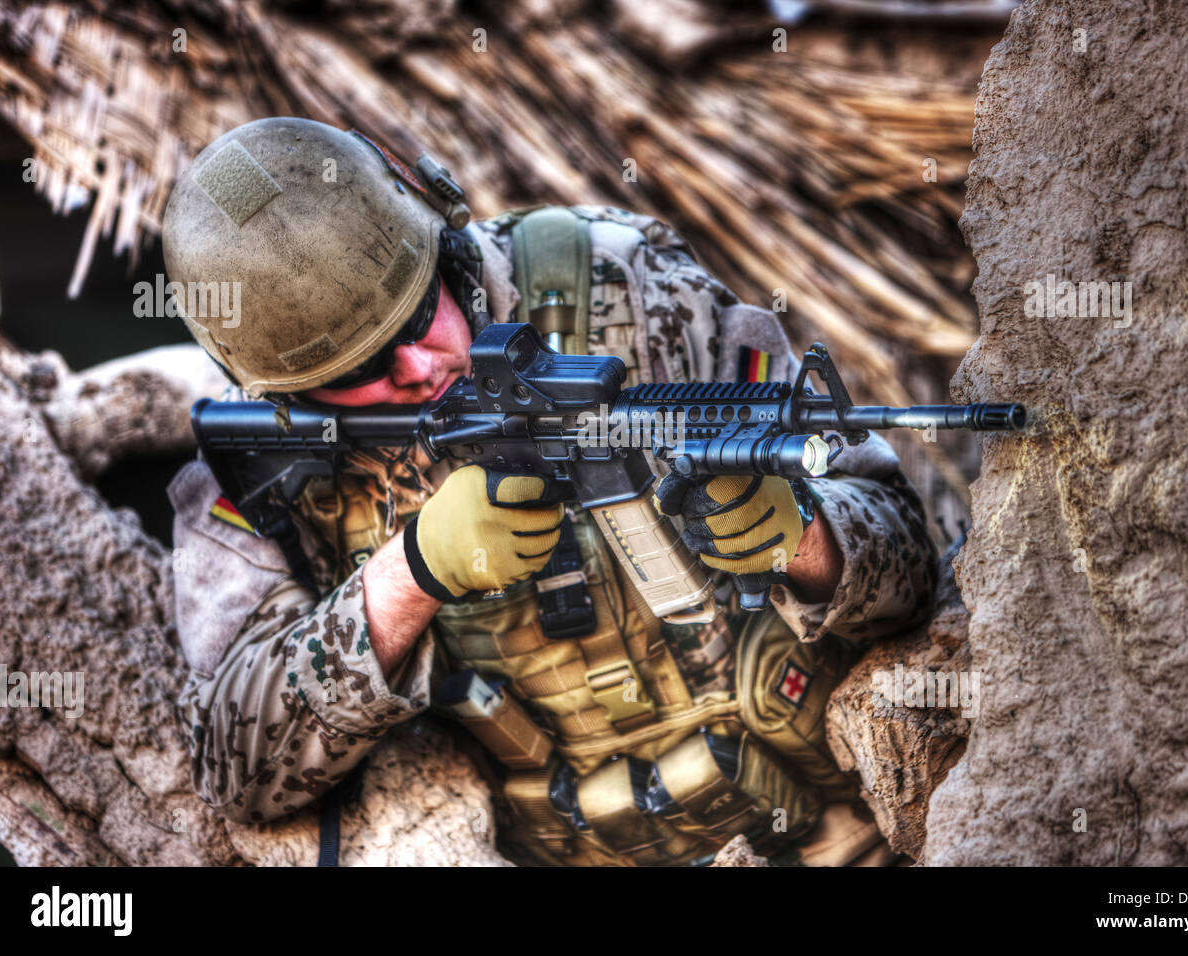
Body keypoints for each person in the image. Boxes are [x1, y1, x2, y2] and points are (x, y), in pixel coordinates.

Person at [164, 116, 938, 866]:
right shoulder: (253, 472)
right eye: (359, 373)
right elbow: (234, 772)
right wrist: (410, 575)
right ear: (283, 394)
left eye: (417, 315)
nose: (420, 368)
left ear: (439, 240)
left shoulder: (626, 286)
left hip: (854, 833)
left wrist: (809, 541)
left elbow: (919, 564)